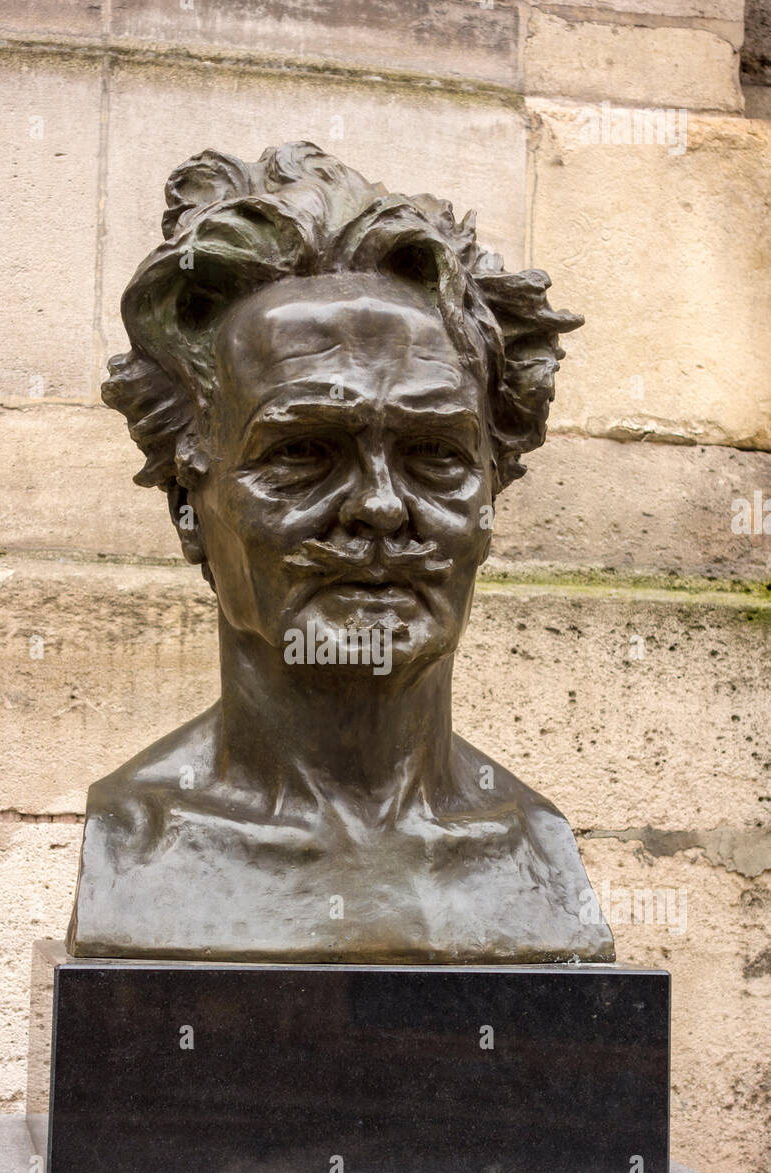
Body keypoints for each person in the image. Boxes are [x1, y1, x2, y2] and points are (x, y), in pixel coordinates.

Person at [67, 142, 613, 963]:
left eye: (436, 455)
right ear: (188, 506)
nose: (383, 508)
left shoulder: (535, 852)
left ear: (491, 496)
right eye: (301, 453)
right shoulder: (138, 845)